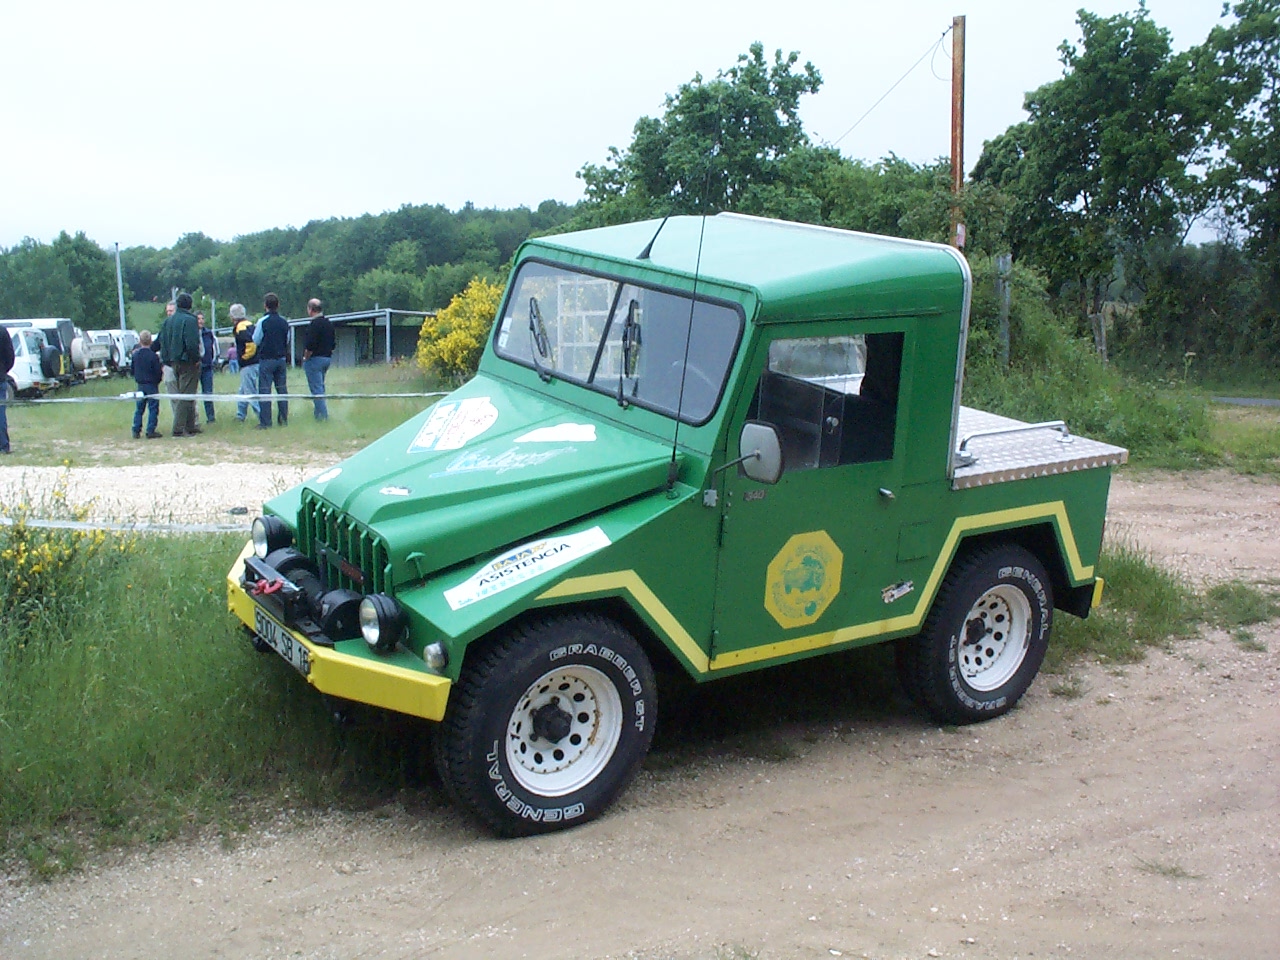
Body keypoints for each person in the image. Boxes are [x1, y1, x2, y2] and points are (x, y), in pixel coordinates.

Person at [158, 292, 202, 437]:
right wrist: (196, 358)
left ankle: (190, 426)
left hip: (172, 362)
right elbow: (191, 343)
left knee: (186, 395)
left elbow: (162, 342)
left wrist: (166, 360)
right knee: (186, 395)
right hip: (187, 362)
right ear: (190, 305)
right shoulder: (190, 320)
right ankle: (179, 428)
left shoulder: (167, 322)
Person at [252, 292, 289, 428]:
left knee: (265, 390)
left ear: (265, 306)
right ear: (278, 305)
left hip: (266, 359)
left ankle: (266, 422)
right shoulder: (284, 322)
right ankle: (283, 419)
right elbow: (287, 339)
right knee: (282, 390)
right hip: (281, 359)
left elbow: (255, 340)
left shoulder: (262, 322)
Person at [301, 298, 334, 421]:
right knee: (320, 387)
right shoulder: (328, 323)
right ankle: (317, 415)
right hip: (327, 358)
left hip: (315, 360)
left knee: (316, 390)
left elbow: (310, 345)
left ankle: (323, 417)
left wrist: (306, 357)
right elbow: (333, 343)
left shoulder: (314, 325)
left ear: (310, 309)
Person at [130, 330, 163, 439]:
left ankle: (136, 429)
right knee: (153, 408)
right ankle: (150, 430)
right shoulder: (153, 356)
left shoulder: (135, 356)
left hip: (140, 384)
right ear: (151, 341)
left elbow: (132, 370)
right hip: (152, 385)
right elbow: (158, 372)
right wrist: (157, 380)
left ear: (140, 341)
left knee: (139, 409)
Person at [231, 304, 259, 422]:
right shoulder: (250, 324)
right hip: (255, 362)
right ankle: (240, 415)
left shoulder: (240, 327)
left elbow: (251, 343)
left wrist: (244, 358)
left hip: (248, 364)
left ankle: (261, 416)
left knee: (250, 392)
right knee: (242, 390)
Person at [198, 312, 217, 423]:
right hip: (195, 367)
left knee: (208, 393)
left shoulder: (208, 333)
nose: (200, 321)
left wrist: (212, 360)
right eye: (198, 318)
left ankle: (211, 417)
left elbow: (213, 348)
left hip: (207, 367)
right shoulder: (192, 333)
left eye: (202, 318)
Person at [160, 300, 177, 421]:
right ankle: (178, 420)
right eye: (167, 311)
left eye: (171, 311)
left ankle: (192, 422)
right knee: (173, 396)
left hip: (181, 365)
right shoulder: (165, 326)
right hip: (168, 365)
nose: (169, 314)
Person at [0, 322, 13, 454]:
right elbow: (10, 356)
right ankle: (3, 445)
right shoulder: (2, 331)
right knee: (0, 413)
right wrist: (3, 370)